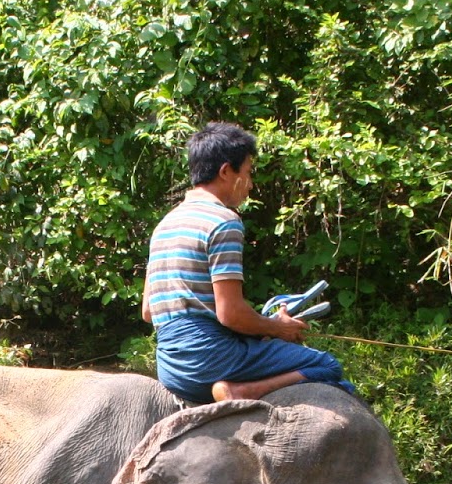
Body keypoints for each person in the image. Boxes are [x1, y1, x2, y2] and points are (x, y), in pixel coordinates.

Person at [142, 122, 353, 404]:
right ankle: (243, 391)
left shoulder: (165, 225)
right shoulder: (223, 221)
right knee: (326, 365)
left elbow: (148, 312)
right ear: (226, 171)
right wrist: (278, 327)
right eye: (248, 173)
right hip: (211, 360)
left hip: (172, 368)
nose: (251, 185)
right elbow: (230, 314)